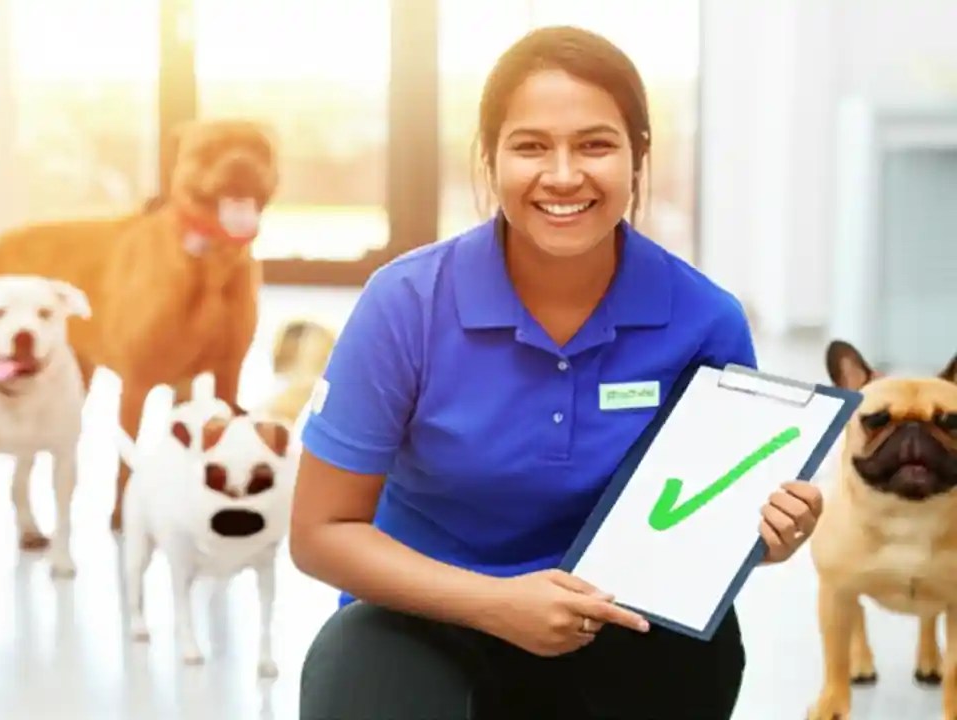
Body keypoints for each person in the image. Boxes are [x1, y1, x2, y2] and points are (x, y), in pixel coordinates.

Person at [289, 25, 823, 720]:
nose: (564, 175)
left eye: (595, 144)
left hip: (615, 619)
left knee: (703, 648)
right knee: (353, 669)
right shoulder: (405, 304)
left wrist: (768, 536)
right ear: (490, 159)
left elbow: (707, 535)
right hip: (420, 619)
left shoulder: (705, 320)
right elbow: (320, 531)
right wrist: (497, 603)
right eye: (531, 145)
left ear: (638, 155)